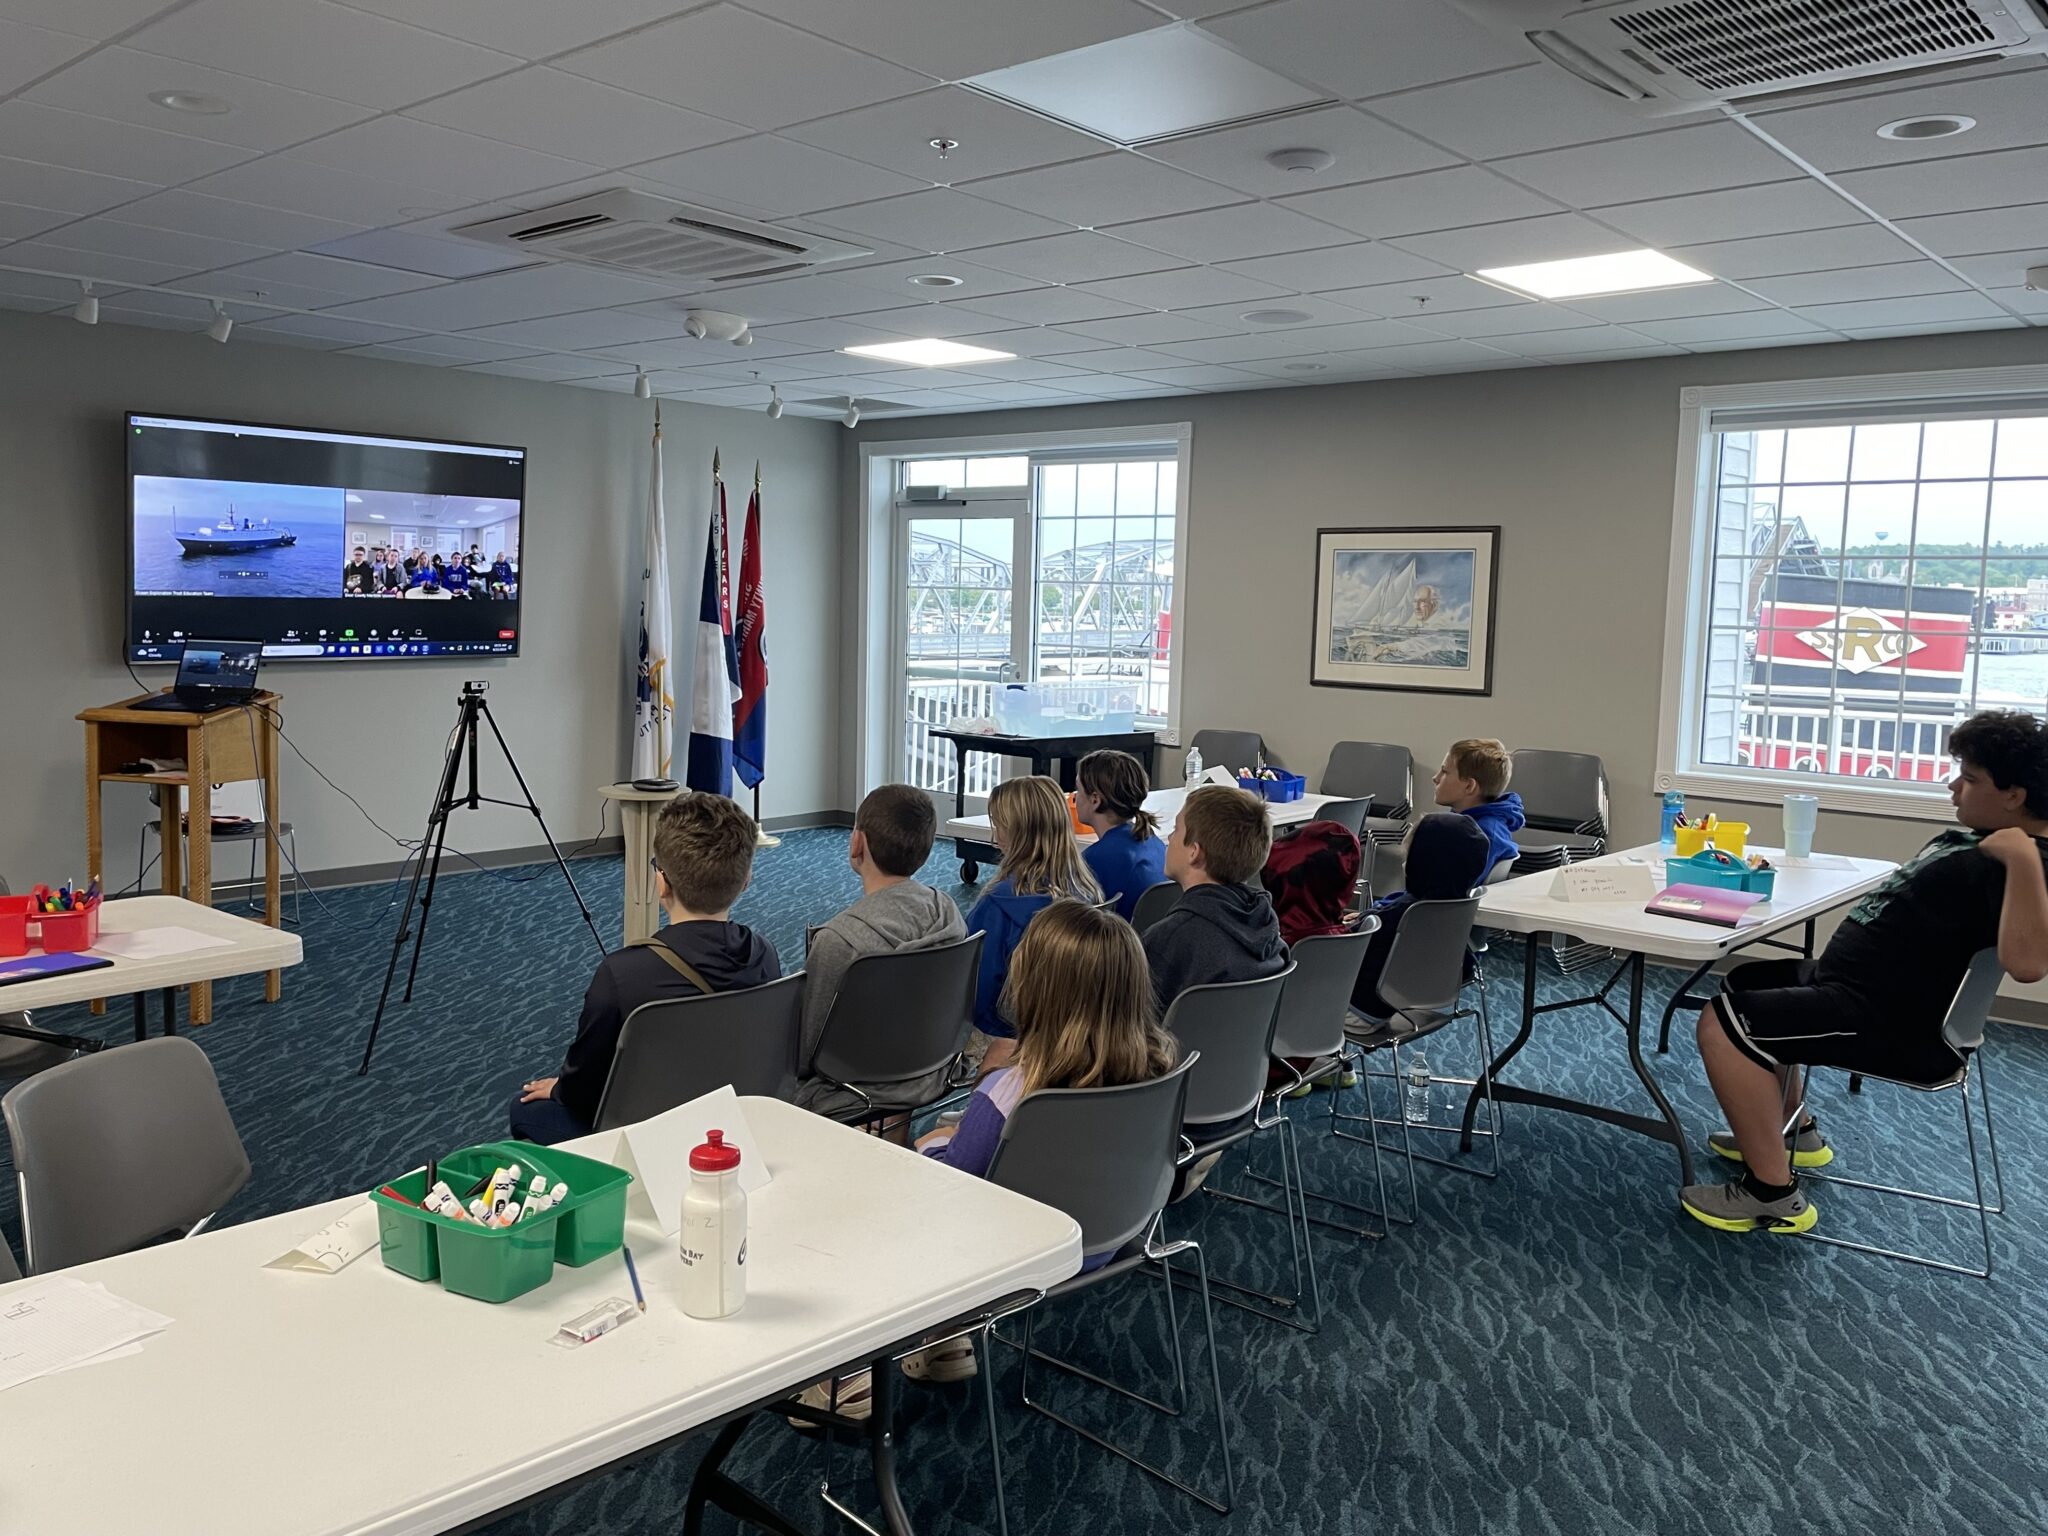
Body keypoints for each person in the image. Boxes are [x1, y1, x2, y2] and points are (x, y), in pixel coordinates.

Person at [1683, 711, 2048, 1235]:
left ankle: (1771, 1194)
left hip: (1891, 1021)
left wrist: (2023, 860)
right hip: (1859, 989)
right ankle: (1793, 1133)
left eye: (1969, 779)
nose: (1953, 789)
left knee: (1724, 1024)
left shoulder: (2025, 859)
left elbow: (2029, 964)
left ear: (2014, 794)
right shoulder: (1988, 837)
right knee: (1747, 984)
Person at [910, 901, 1178, 1378]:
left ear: (1034, 992)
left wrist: (932, 1143)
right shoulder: (1160, 1074)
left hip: (1023, 1258)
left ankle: (942, 1339)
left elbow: (953, 1186)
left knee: (917, 1161)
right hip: (1115, 1234)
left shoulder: (1009, 1095)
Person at [510, 793, 779, 1144]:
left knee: (524, 1107)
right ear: (745, 881)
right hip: (735, 1117)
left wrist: (561, 1089)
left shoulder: (622, 974)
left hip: (652, 1135)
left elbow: (584, 1088)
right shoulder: (764, 954)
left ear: (661, 882)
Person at [796, 785, 967, 1118]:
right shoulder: (947, 910)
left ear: (857, 842)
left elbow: (808, 1051)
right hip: (935, 1066)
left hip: (858, 1087)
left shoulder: (839, 940)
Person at [964, 775, 1101, 1077]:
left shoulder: (998, 905)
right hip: (1073, 1030)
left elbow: (974, 992)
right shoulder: (1087, 891)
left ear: (1013, 834)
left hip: (1005, 1034)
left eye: (998, 825)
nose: (994, 835)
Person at [1142, 783, 1286, 1015]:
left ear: (1194, 852)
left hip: (1177, 1051)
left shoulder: (1169, 939)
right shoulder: (1269, 928)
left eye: (1176, 830)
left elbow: (1130, 1026)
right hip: (1246, 1051)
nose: (1169, 837)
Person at [1347, 812, 1492, 1026]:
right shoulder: (1457, 909)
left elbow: (1349, 951)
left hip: (1363, 1010)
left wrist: (1357, 924)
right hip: (1421, 1000)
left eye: (1409, 855)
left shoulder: (1402, 915)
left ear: (1421, 862)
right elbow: (1468, 965)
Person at [1260, 818, 1365, 1092]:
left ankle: (1293, 1073)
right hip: (1319, 1044)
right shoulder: (1344, 933)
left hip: (1264, 1064)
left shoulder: (1279, 941)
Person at [1074, 749, 1166, 921]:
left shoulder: (1095, 859)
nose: (1074, 798)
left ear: (1095, 800)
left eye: (1078, 790)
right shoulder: (1154, 842)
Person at [1430, 738, 1525, 875]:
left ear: (1469, 786)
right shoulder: (1467, 825)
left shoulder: (1480, 837)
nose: (1435, 778)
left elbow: (1446, 890)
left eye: (1444, 772)